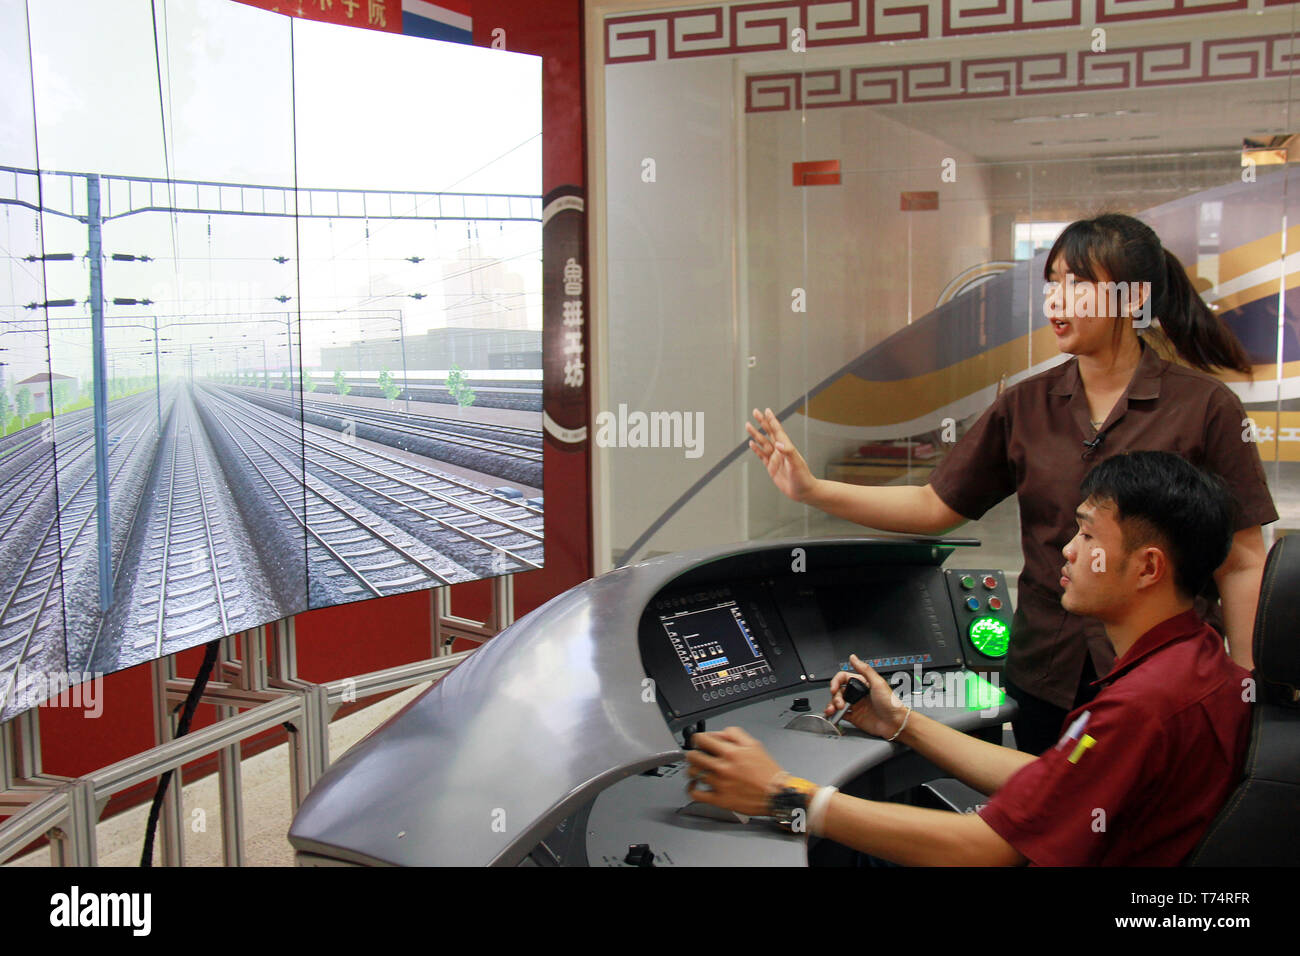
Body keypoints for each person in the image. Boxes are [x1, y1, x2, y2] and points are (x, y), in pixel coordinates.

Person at [745, 212, 1276, 754]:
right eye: (1052, 284)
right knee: (1044, 822)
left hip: (1168, 678)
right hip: (1048, 674)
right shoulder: (1025, 405)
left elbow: (1241, 562)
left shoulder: (1204, 408)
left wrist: (1244, 684)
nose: (1057, 301)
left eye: (1079, 284)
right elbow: (935, 505)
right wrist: (812, 490)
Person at [684, 452, 1253, 866]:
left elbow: (984, 851)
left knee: (830, 854)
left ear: (1148, 568)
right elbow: (1055, 782)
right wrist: (901, 723)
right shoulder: (1197, 661)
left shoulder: (1140, 705)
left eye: (1087, 535)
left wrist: (784, 794)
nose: (1069, 551)